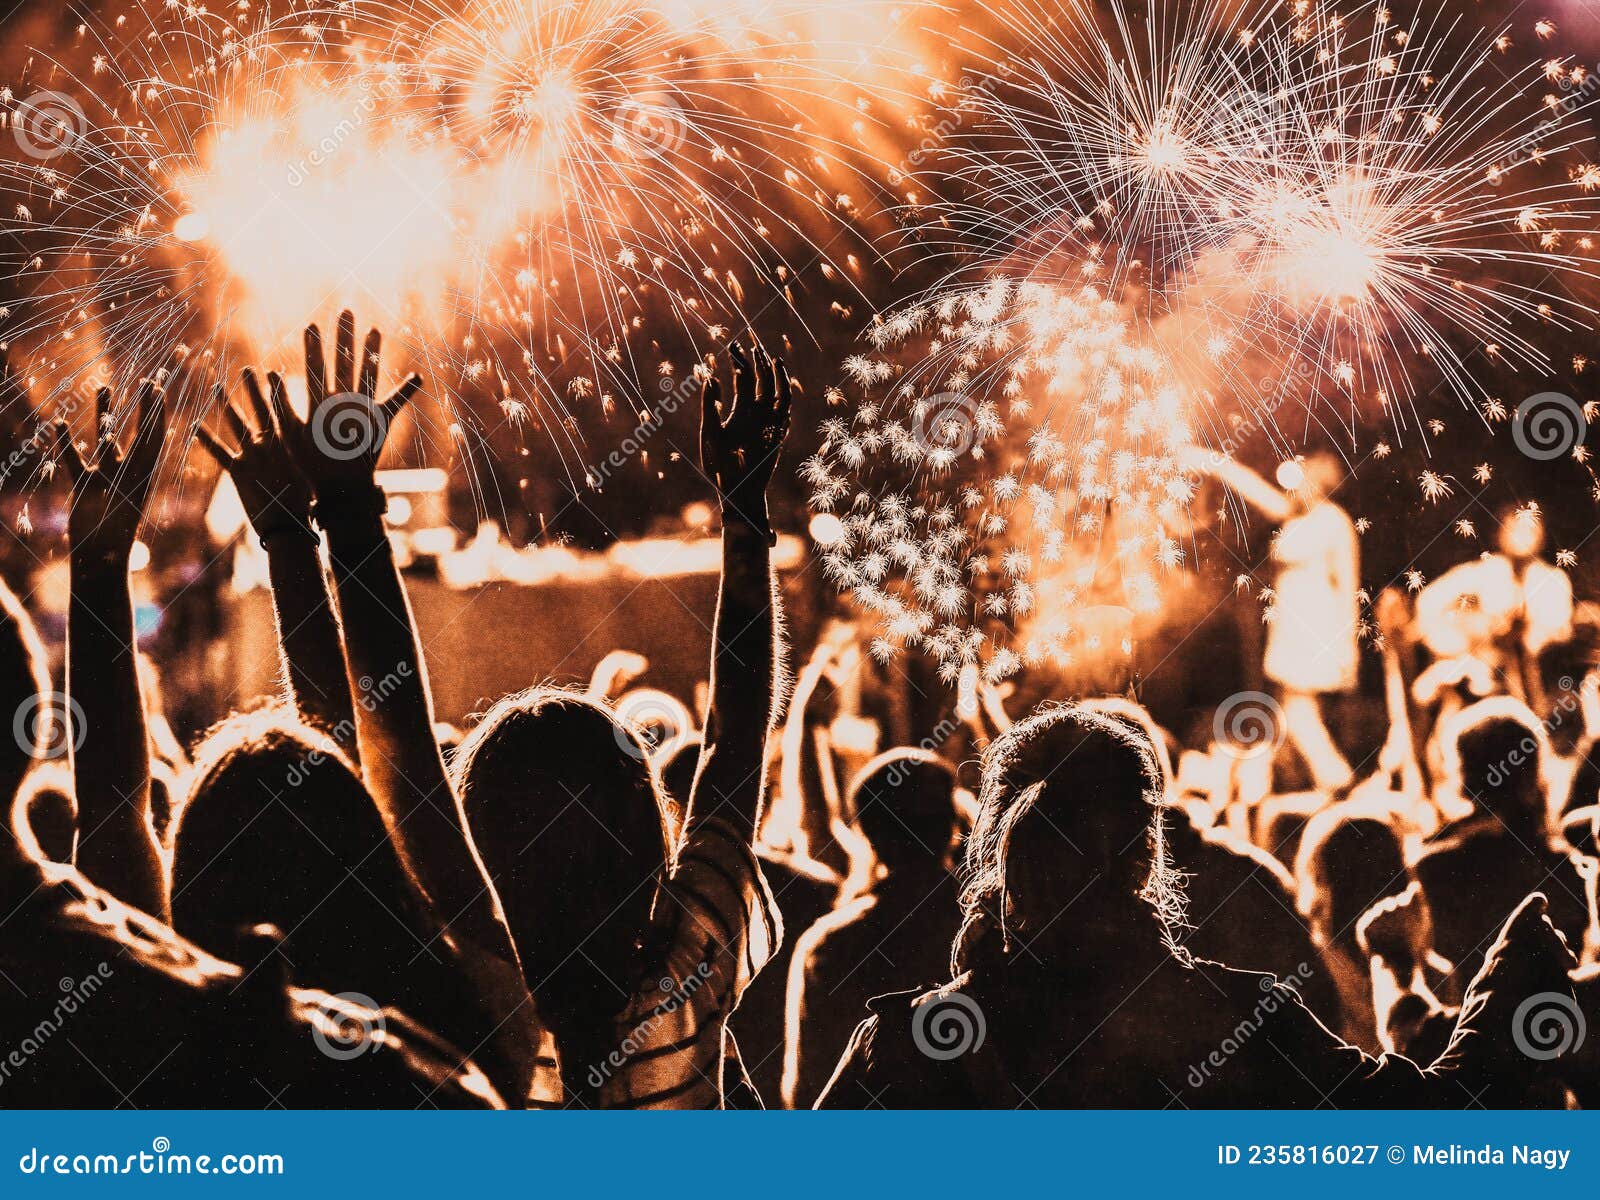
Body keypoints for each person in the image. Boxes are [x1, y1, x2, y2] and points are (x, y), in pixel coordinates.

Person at [818, 704, 1578, 1108]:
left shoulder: (906, 1043)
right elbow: (1441, 1135)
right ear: (1150, 852)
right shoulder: (1241, 1022)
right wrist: (1508, 983)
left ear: (993, 851)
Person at [450, 339, 791, 1107]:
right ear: (644, 834)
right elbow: (736, 742)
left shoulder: (476, 1013)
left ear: (475, 845)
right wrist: (744, 513)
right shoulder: (690, 972)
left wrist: (327, 526)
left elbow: (392, 759)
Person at [782, 748, 960, 1109]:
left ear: (868, 831)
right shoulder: (993, 930)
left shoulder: (830, 945)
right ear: (951, 826)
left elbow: (808, 1090)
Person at [1187, 449, 1358, 790]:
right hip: (1291, 628)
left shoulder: (1335, 522)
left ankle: (1338, 781)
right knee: (1295, 712)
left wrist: (1348, 648)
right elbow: (1253, 488)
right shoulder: (1292, 516)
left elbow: (1349, 586)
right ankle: (1318, 784)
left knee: (1298, 713)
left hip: (1318, 627)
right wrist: (1210, 461)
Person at [1413, 697, 1593, 999]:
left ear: (1460, 775)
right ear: (1535, 770)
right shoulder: (1567, 868)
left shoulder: (1432, 869)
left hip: (1468, 1031)